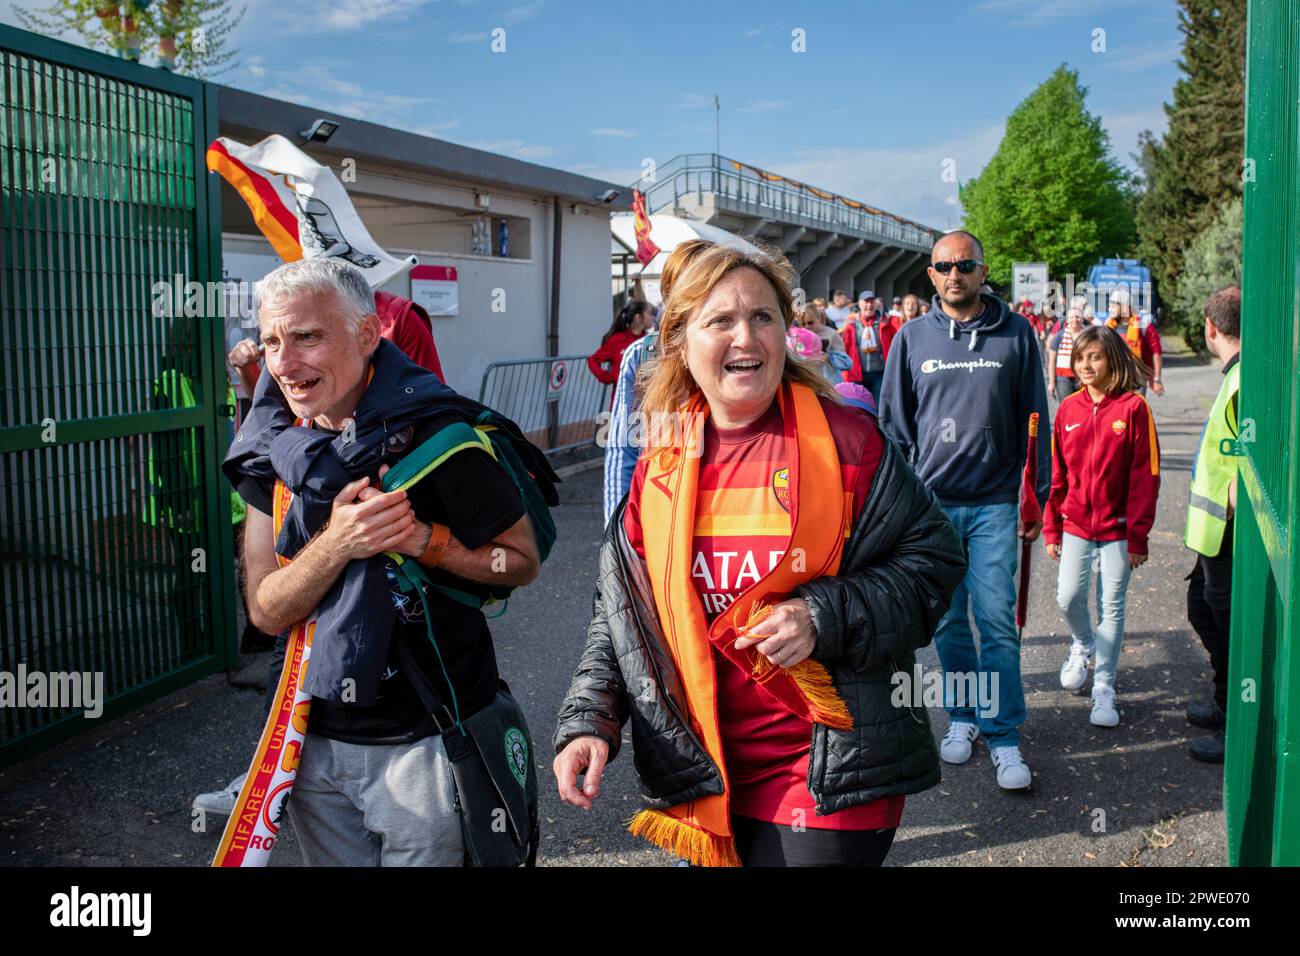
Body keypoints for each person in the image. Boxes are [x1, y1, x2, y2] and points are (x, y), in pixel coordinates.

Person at [553, 239, 965, 867]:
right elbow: (622, 613)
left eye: (762, 317)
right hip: (706, 768)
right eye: (720, 320)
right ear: (680, 343)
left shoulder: (850, 442)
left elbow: (933, 563)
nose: (746, 337)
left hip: (828, 765)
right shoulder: (659, 464)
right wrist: (591, 721)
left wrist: (823, 616)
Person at [223, 258, 545, 865]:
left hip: (429, 738)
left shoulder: (439, 437)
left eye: (307, 337)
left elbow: (520, 561)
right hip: (309, 743)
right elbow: (267, 610)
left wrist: (425, 540)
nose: (285, 365)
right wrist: (339, 543)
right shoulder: (271, 455)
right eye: (271, 341)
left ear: (368, 336)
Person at [879, 230, 1051, 790]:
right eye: (944, 266)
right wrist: (895, 510)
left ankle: (1004, 736)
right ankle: (963, 717)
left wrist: (1039, 495)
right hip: (932, 510)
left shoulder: (1017, 334)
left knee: (998, 622)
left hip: (997, 504)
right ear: (931, 275)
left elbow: (1036, 419)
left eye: (966, 264)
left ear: (983, 271)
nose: (955, 274)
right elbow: (894, 432)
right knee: (950, 623)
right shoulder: (910, 339)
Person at [1044, 326, 1161, 727]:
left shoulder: (1133, 409)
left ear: (1112, 358)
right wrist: (1051, 528)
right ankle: (1083, 644)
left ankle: (1104, 688)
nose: (1085, 365)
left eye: (1094, 356)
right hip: (1074, 523)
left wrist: (1138, 535)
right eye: (1080, 358)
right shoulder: (1068, 410)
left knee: (1111, 606)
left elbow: (1146, 476)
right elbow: (1056, 475)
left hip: (1118, 530)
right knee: (1067, 596)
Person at [1183, 286, 1242, 763]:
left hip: (1228, 533)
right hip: (1213, 534)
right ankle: (1226, 705)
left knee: (1226, 625)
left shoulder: (1242, 380)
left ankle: (1236, 726)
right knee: (1204, 612)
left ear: (1210, 328)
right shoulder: (1237, 375)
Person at [1105, 288, 1164, 396]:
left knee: (1135, 410)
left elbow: (1156, 352)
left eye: (1113, 306)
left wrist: (1156, 379)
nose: (1109, 309)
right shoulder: (1108, 325)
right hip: (1112, 378)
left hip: (1136, 379)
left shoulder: (1143, 325)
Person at [587, 300, 651, 388]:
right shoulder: (617, 340)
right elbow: (593, 360)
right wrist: (605, 376)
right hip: (621, 400)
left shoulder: (650, 340)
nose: (652, 317)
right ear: (638, 317)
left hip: (645, 399)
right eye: (649, 313)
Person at [840, 291, 887, 400]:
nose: (869, 305)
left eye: (872, 302)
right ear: (859, 304)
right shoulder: (851, 324)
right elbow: (844, 347)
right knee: (859, 406)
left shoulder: (884, 322)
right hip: (857, 374)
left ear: (876, 304)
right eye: (866, 302)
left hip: (879, 373)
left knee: (877, 406)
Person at [1047, 296, 1091, 403]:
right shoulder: (1060, 332)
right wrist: (1051, 382)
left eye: (1078, 316)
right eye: (1072, 317)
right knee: (1067, 406)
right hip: (1063, 377)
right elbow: (1051, 358)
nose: (1075, 320)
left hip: (1083, 376)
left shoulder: (1089, 332)